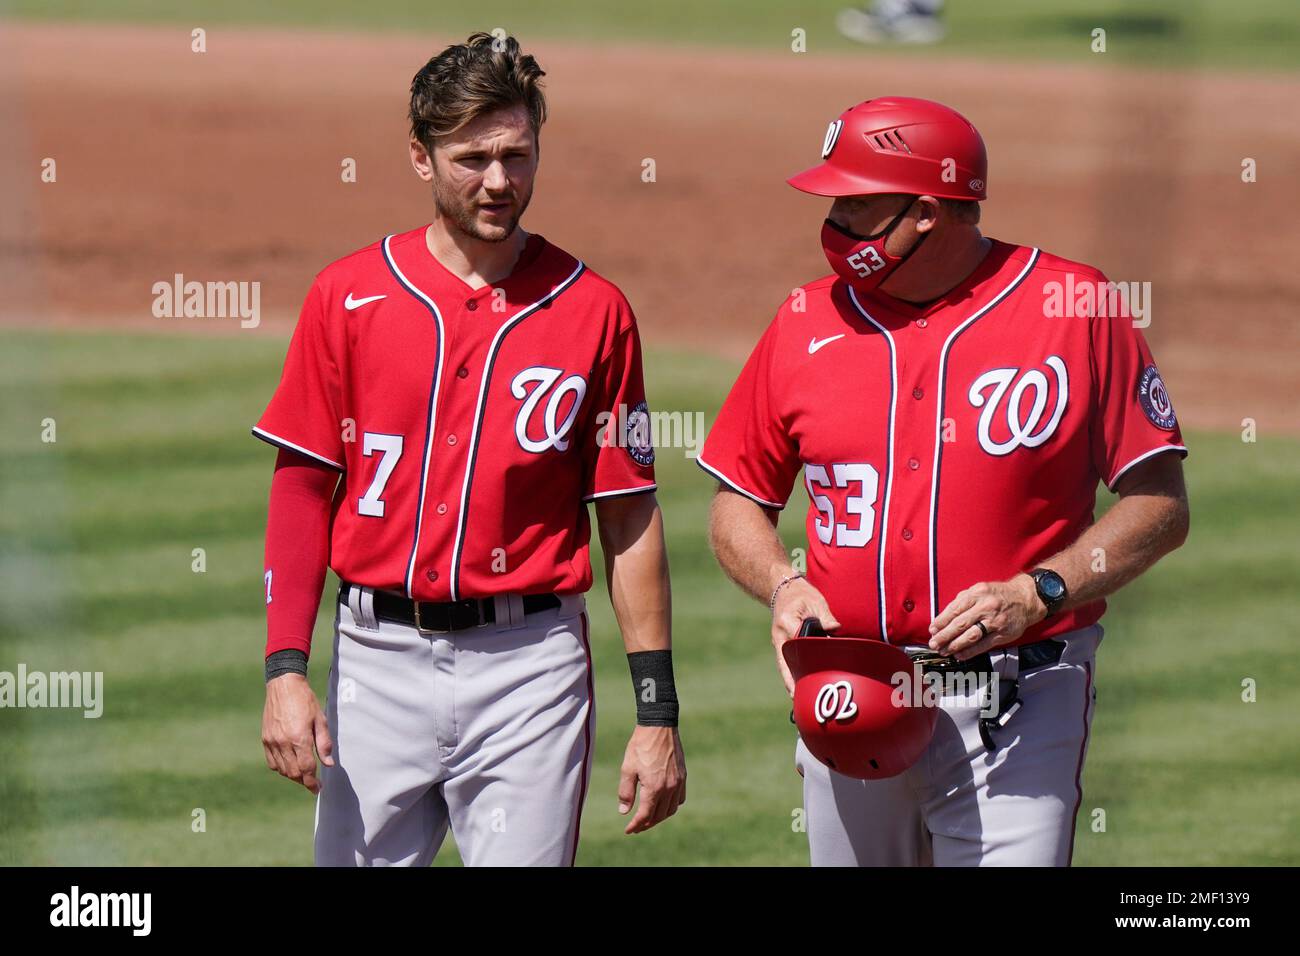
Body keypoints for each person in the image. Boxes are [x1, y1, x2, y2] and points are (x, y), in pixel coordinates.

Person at [700, 96, 1188, 866]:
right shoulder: (803, 320)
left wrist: (1040, 592)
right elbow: (736, 504)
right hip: (848, 696)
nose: (833, 223)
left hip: (1018, 702)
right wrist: (782, 585)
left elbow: (1160, 503)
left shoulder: (1075, 308)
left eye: (855, 206)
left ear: (925, 212)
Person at [255, 33, 686, 866]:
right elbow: (302, 487)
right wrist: (284, 669)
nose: (499, 181)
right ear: (420, 157)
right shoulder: (349, 297)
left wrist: (658, 714)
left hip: (530, 668)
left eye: (517, 156)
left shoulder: (594, 311)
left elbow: (627, 514)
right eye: (472, 158)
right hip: (374, 663)